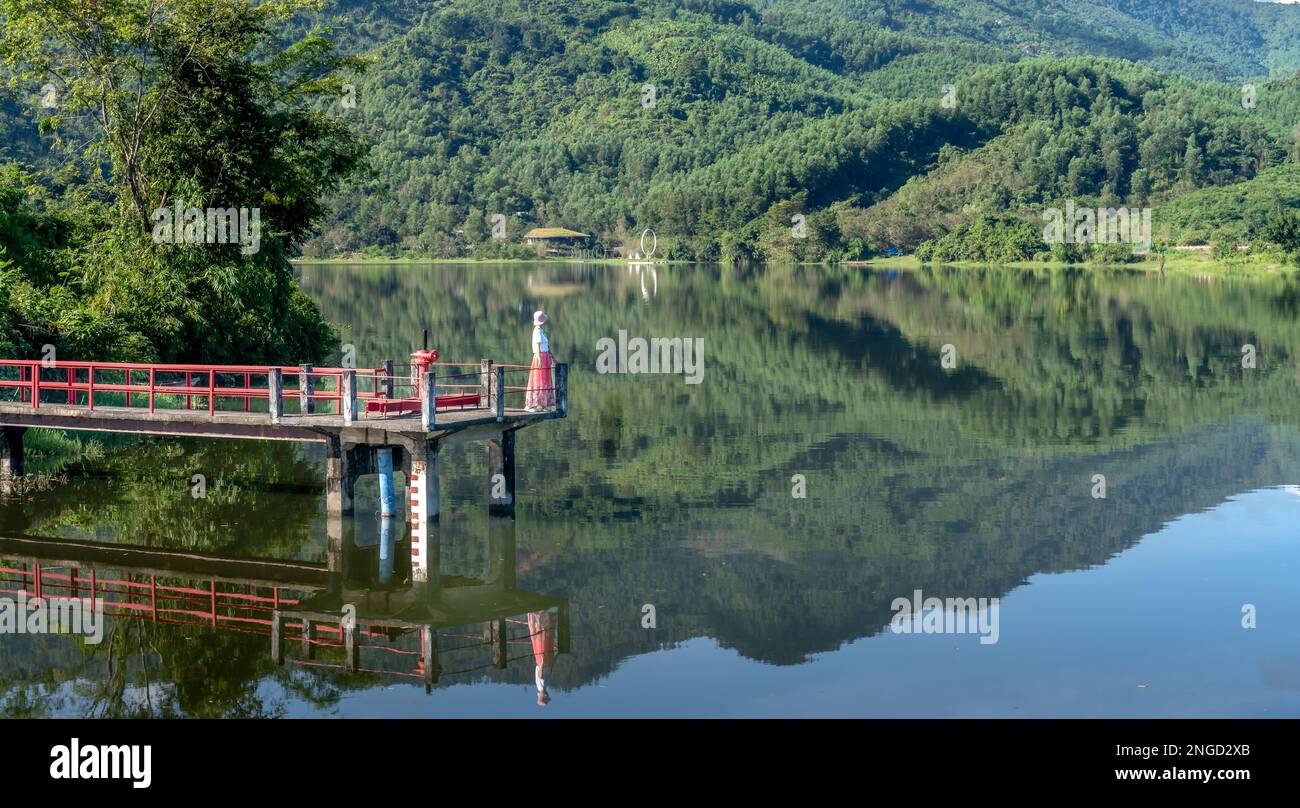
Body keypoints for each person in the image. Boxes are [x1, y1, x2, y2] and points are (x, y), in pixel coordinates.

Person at [525, 310, 555, 412]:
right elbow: (537, 346)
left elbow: (546, 346)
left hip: (544, 356)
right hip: (540, 357)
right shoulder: (537, 331)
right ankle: (534, 404)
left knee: (545, 381)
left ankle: (543, 404)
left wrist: (552, 357)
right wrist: (539, 359)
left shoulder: (541, 331)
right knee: (538, 380)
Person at [529, 610, 556, 706]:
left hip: (544, 662)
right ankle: (540, 616)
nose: (548, 695)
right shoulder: (541, 687)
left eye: (547, 697)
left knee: (544, 639)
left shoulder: (542, 687)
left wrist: (542, 661)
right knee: (544, 639)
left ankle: (542, 616)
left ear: (544, 696)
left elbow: (541, 675)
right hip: (546, 661)